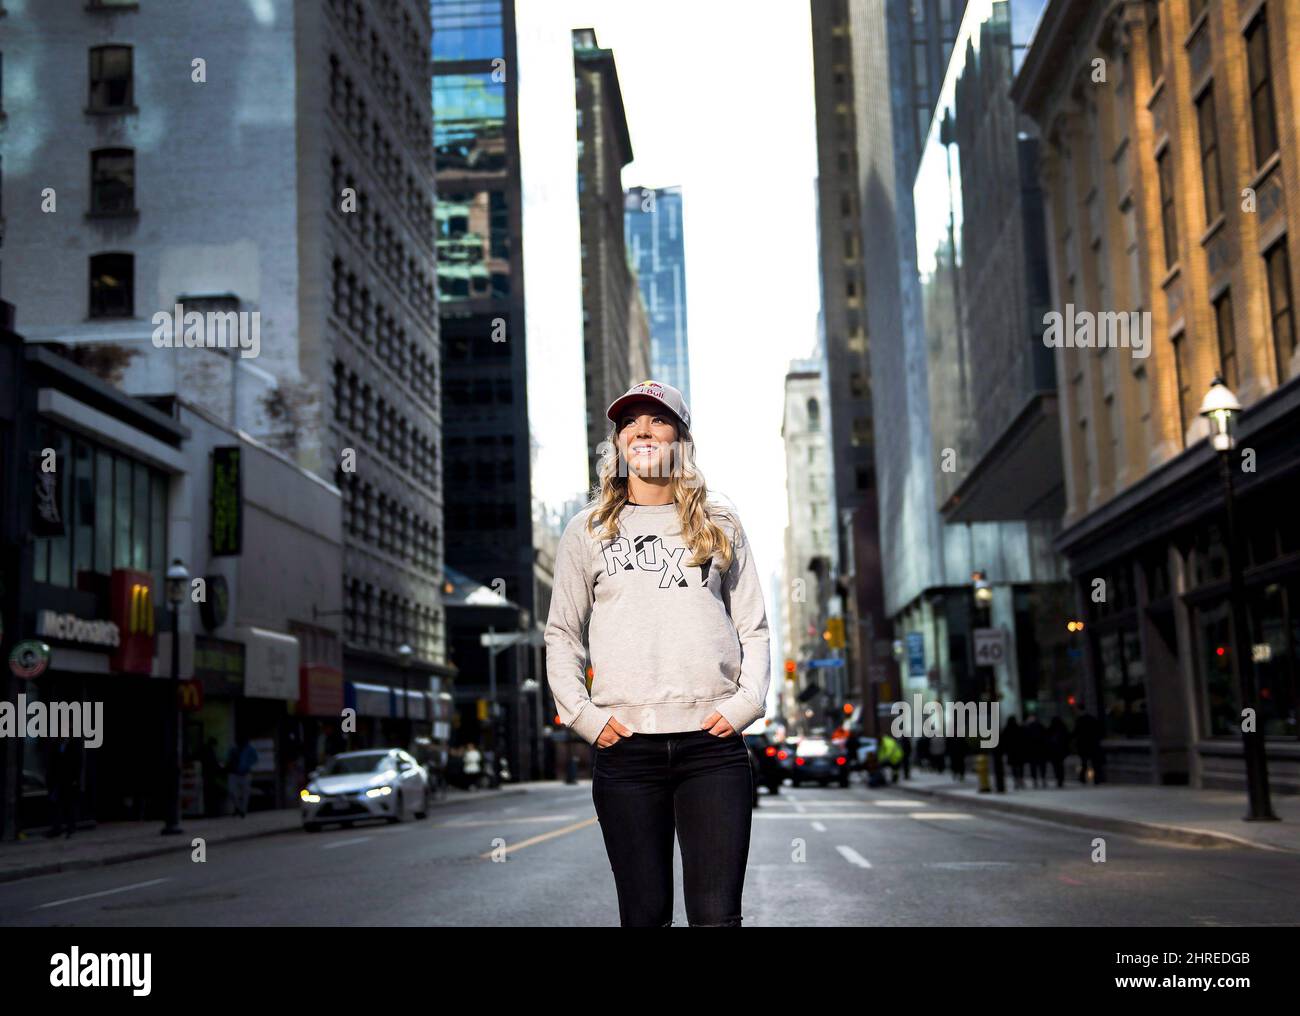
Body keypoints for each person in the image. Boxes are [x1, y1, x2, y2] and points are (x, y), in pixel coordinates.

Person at [544, 380, 770, 927]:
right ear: (619, 444)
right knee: (644, 916)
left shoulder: (720, 522)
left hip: (711, 747)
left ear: (681, 440)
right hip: (625, 751)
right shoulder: (588, 529)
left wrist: (746, 705)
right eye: (630, 423)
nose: (642, 430)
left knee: (716, 917)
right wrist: (584, 717)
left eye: (657, 420)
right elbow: (562, 635)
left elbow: (754, 626)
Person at [48, 736, 83, 838]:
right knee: (55, 804)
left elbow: (78, 763)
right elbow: (52, 762)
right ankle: (56, 828)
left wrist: (76, 779)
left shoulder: (73, 744)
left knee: (69, 805)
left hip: (69, 781)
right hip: (57, 780)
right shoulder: (56, 744)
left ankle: (70, 828)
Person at [225, 735, 258, 817]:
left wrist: (247, 765)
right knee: (232, 791)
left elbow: (255, 759)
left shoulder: (250, 749)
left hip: (245, 773)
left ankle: (242, 811)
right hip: (234, 773)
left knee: (245, 794)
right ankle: (238, 808)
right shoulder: (233, 749)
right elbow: (228, 759)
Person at [1074, 709, 1105, 784]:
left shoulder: (1080, 721)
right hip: (1092, 745)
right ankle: (1097, 779)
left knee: (1084, 763)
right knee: (1095, 764)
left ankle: (1082, 778)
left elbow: (1076, 732)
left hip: (1084, 745)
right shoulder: (1093, 721)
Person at [1022, 712, 1048, 788]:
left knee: (1034, 766)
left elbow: (1025, 740)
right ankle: (1042, 779)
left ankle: (1036, 780)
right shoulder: (1040, 726)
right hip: (1039, 750)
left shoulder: (1027, 727)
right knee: (1041, 766)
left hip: (1033, 751)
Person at [1046, 716, 1070, 788]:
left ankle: (1059, 779)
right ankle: (1060, 779)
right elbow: (1067, 738)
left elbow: (1047, 739)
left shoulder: (1051, 728)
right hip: (1061, 751)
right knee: (1060, 766)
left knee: (1056, 766)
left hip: (1054, 751)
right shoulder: (1063, 728)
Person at [1002, 716, 1024, 789]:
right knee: (1020, 766)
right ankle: (1020, 779)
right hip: (1019, 750)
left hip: (1011, 751)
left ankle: (1016, 781)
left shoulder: (1006, 729)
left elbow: (1004, 741)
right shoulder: (1018, 728)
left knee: (1014, 767)